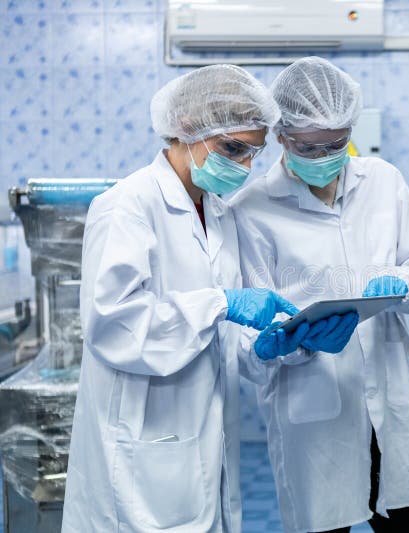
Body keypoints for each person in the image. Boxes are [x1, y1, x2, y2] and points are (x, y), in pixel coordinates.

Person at [62, 64, 323, 532]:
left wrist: (265, 348)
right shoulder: (127, 206)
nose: (244, 167)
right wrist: (220, 303)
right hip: (139, 446)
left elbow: (218, 336)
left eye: (252, 154)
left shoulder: (218, 212)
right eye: (232, 149)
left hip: (205, 433)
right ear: (186, 128)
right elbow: (114, 325)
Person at [231, 57, 409, 533]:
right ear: (282, 137)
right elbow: (248, 341)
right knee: (324, 523)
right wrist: (286, 344)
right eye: (310, 147)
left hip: (385, 396)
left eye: (338, 142)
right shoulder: (250, 210)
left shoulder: (383, 181)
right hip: (314, 409)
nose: (327, 155)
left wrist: (404, 283)